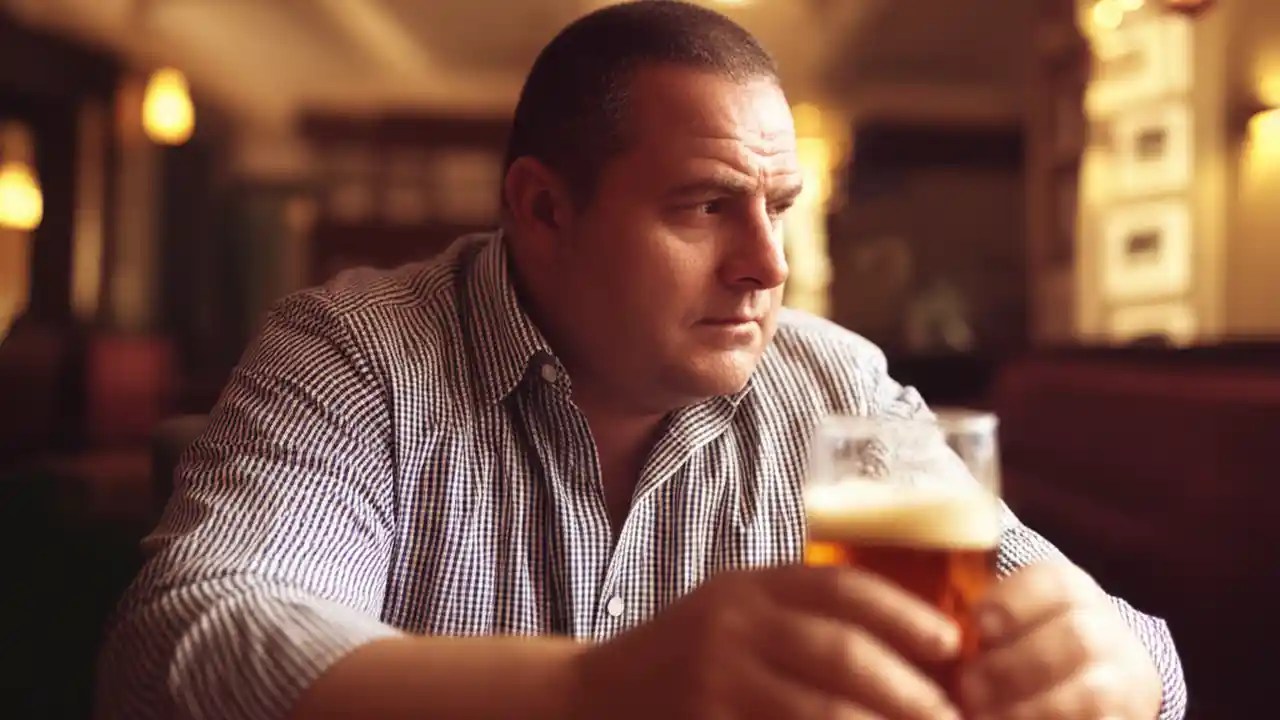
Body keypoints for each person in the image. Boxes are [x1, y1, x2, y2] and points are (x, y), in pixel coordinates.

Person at [96, 2, 1186, 719]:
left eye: (777, 208)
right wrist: (596, 691)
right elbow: (185, 642)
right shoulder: (359, 352)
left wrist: (1110, 668)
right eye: (705, 206)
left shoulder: (840, 388)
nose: (766, 266)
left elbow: (1138, 653)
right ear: (544, 210)